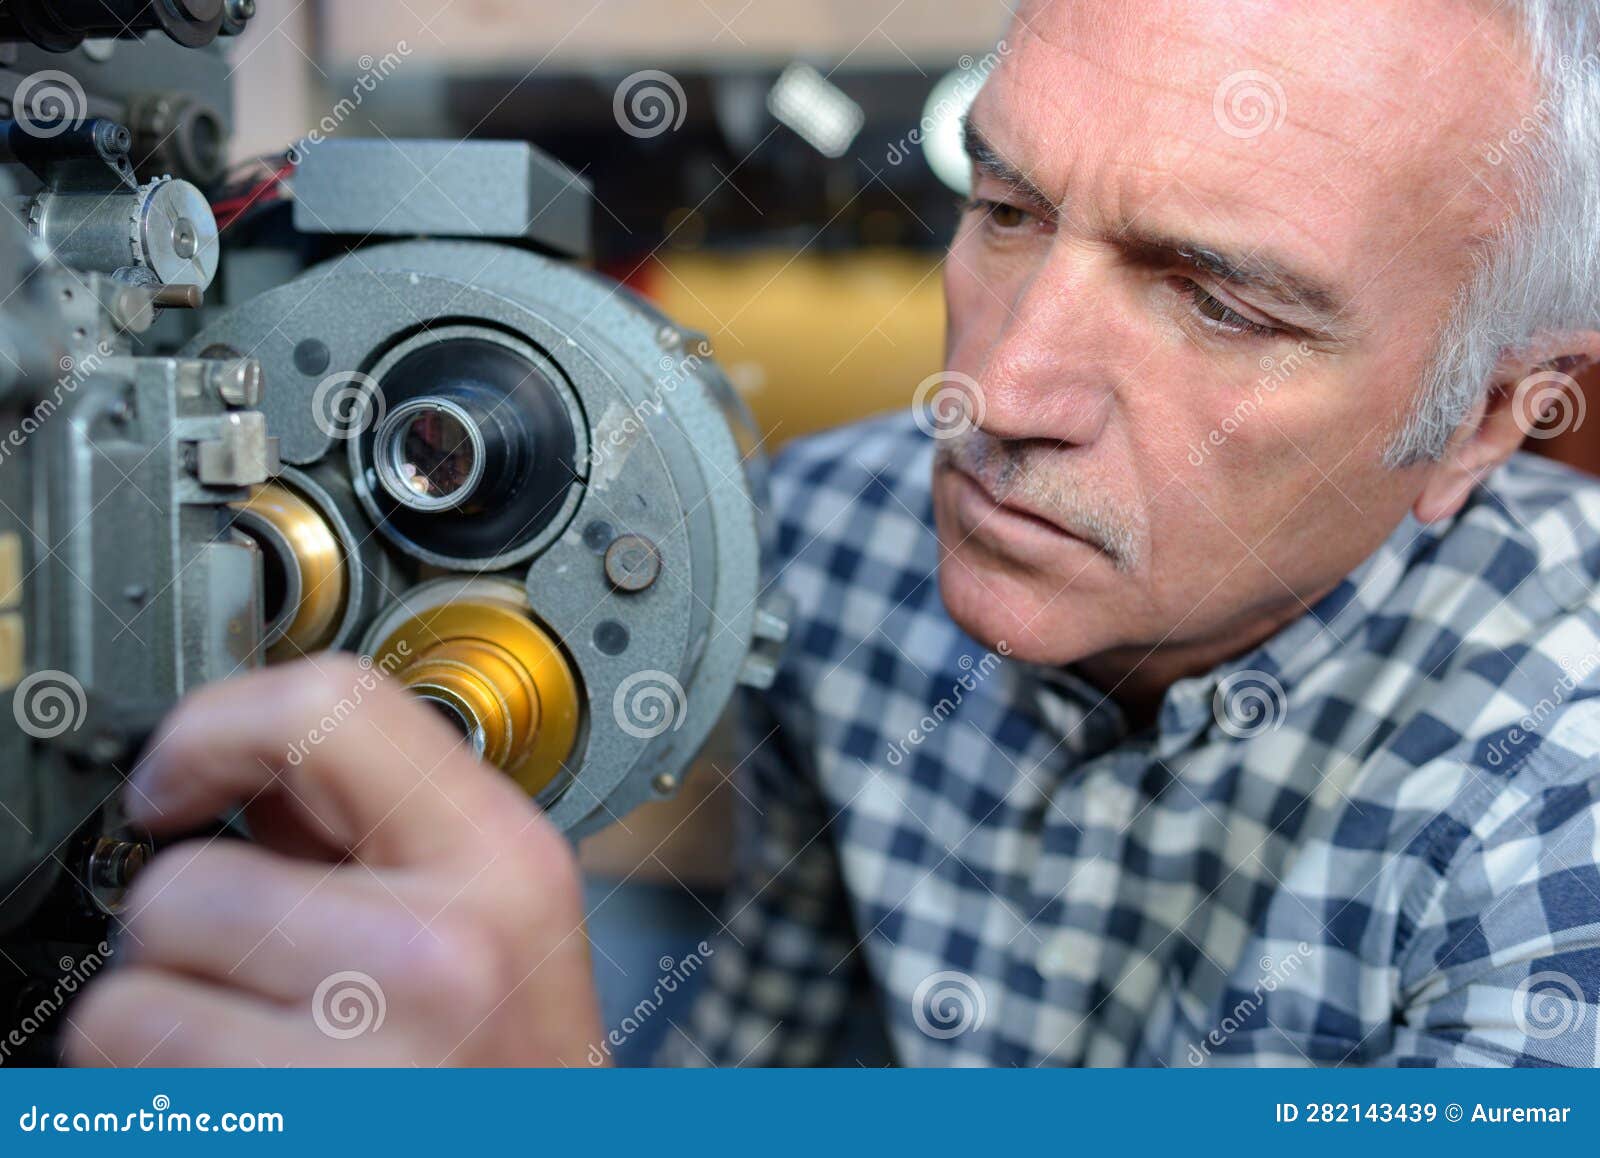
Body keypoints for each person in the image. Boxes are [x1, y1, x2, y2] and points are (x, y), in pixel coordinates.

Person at [67, 0, 1600, 1067]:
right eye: (1005, 209)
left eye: (1217, 299)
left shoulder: (1557, 828)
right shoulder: (853, 538)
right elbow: (766, 1055)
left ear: (1489, 418)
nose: (990, 391)